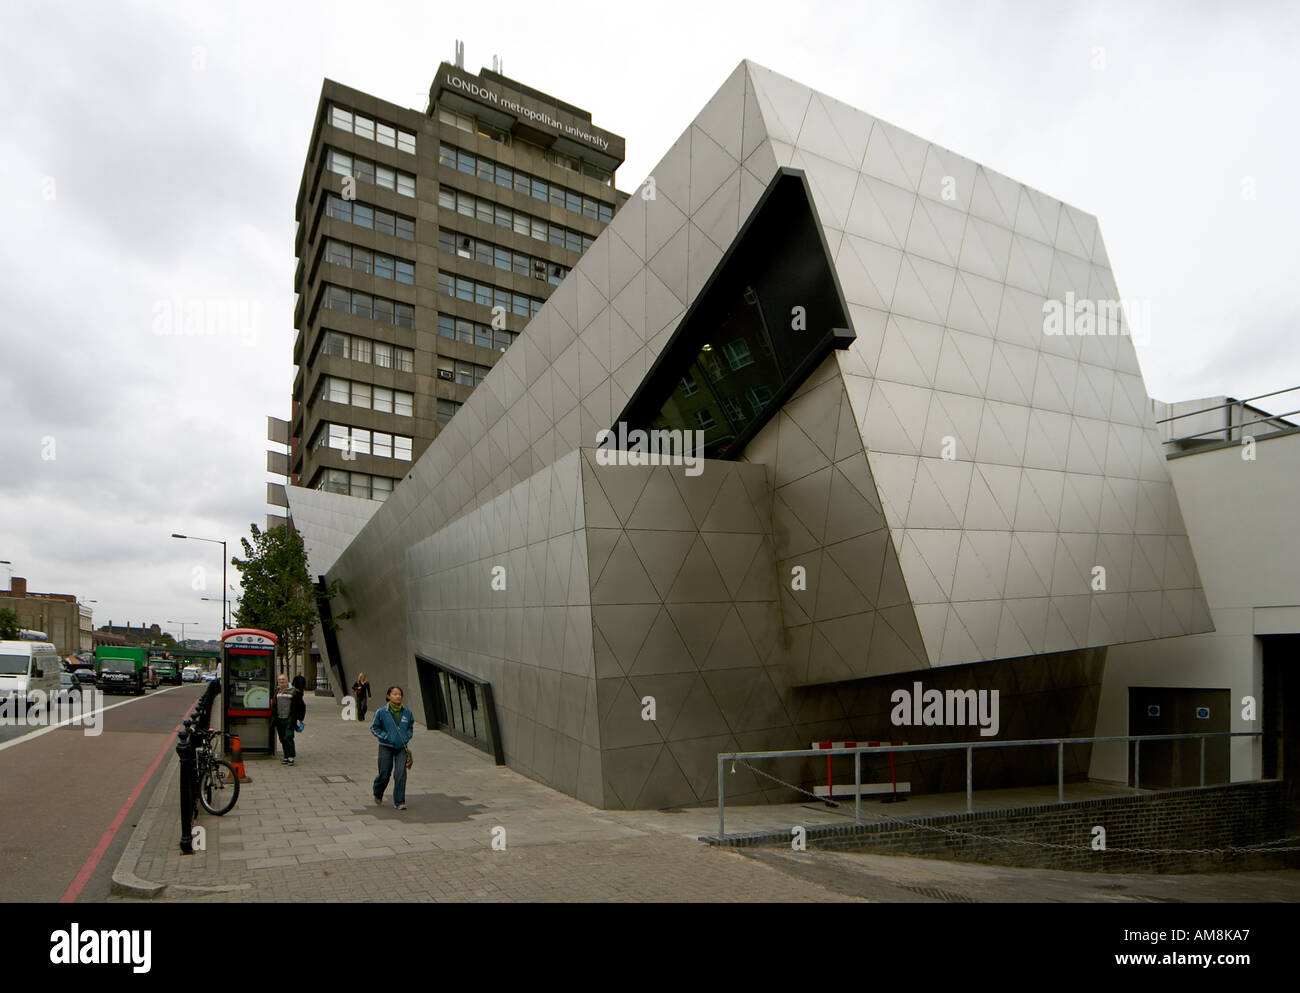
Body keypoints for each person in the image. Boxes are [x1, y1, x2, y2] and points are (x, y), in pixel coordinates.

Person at [371, 685, 415, 810]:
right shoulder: (381, 712)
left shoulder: (407, 713)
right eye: (395, 694)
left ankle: (399, 801)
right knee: (385, 774)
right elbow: (374, 727)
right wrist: (385, 736)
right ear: (388, 696)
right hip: (385, 747)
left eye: (399, 694)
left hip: (401, 747)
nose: (398, 696)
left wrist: (407, 736)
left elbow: (410, 727)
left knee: (401, 773)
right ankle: (378, 792)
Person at [272, 673, 304, 766]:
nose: (281, 681)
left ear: (287, 680)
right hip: (279, 719)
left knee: (289, 737)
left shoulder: (294, 691)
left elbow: (301, 706)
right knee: (282, 738)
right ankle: (286, 756)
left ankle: (291, 756)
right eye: (279, 680)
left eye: (283, 679)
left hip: (289, 719)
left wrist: (300, 719)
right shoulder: (277, 691)